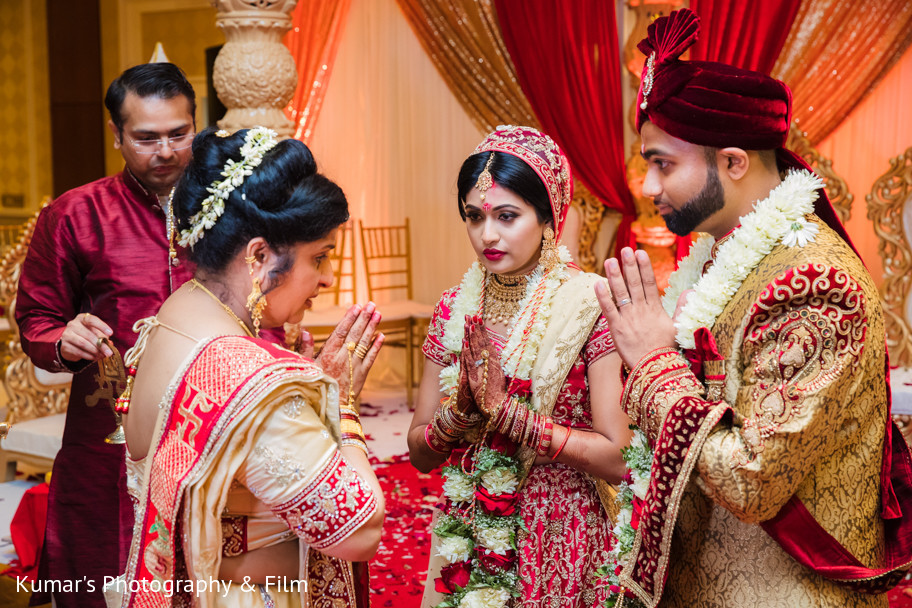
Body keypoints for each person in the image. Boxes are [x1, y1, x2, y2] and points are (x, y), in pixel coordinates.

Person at [593, 9, 912, 608]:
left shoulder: (815, 282)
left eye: (662, 163)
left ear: (734, 162)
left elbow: (749, 478)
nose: (649, 187)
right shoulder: (723, 254)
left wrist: (655, 363)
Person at [112, 126, 386, 607]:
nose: (326, 279)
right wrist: (342, 408)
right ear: (259, 255)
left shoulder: (176, 313)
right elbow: (360, 532)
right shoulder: (245, 376)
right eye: (319, 257)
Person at [408, 125, 633, 608]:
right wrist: (458, 417)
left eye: (507, 216)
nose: (487, 234)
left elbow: (619, 459)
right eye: (474, 216)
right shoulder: (453, 310)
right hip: (469, 521)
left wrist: (507, 414)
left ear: (550, 218)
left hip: (562, 531)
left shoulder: (590, 304)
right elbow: (420, 452)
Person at [15, 62, 197, 606]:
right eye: (145, 138)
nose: (164, 151)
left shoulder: (230, 210)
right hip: (107, 434)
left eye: (178, 134)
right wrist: (61, 341)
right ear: (116, 136)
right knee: (99, 573)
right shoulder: (74, 214)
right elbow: (36, 319)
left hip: (208, 424)